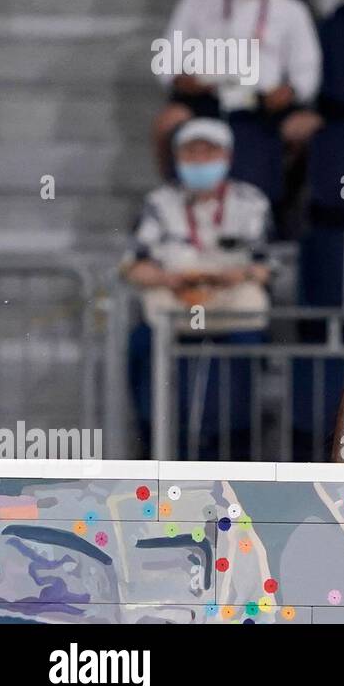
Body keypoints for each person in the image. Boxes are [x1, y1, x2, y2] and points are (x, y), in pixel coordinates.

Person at [123, 119, 274, 459]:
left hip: (228, 301)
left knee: (249, 339)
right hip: (175, 298)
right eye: (192, 151)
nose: (200, 158)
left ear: (227, 156)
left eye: (209, 151)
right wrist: (167, 279)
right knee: (141, 343)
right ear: (177, 157)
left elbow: (265, 266)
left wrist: (238, 274)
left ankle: (237, 444)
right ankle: (154, 440)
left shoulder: (251, 201)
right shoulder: (159, 202)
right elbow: (135, 265)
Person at [152, 0, 323, 176]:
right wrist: (180, 80)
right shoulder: (196, 0)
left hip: (265, 101)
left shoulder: (291, 9)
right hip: (207, 97)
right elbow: (167, 56)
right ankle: (175, 193)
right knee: (166, 123)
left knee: (309, 129)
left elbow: (307, 66)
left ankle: (287, 201)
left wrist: (291, 91)